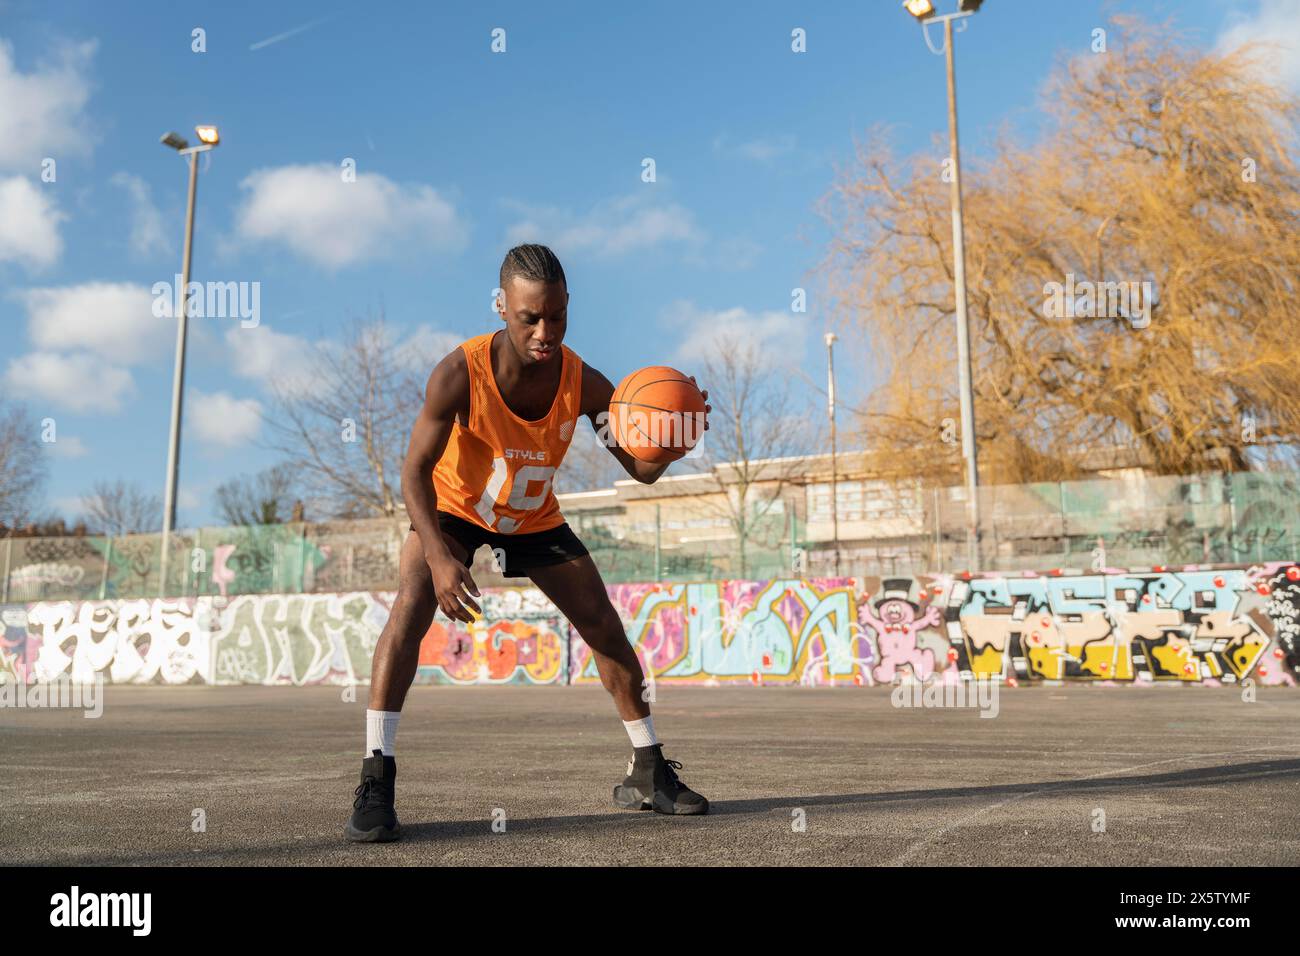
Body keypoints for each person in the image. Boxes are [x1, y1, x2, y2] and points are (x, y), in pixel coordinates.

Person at [346, 244, 711, 842]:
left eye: (558, 317)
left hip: (532, 517)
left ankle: (647, 768)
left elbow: (638, 469)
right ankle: (376, 776)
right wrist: (439, 555)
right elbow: (412, 471)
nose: (546, 331)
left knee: (603, 625)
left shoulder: (586, 383)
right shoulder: (458, 373)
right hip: (456, 511)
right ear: (502, 307)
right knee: (410, 610)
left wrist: (675, 437)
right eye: (529, 318)